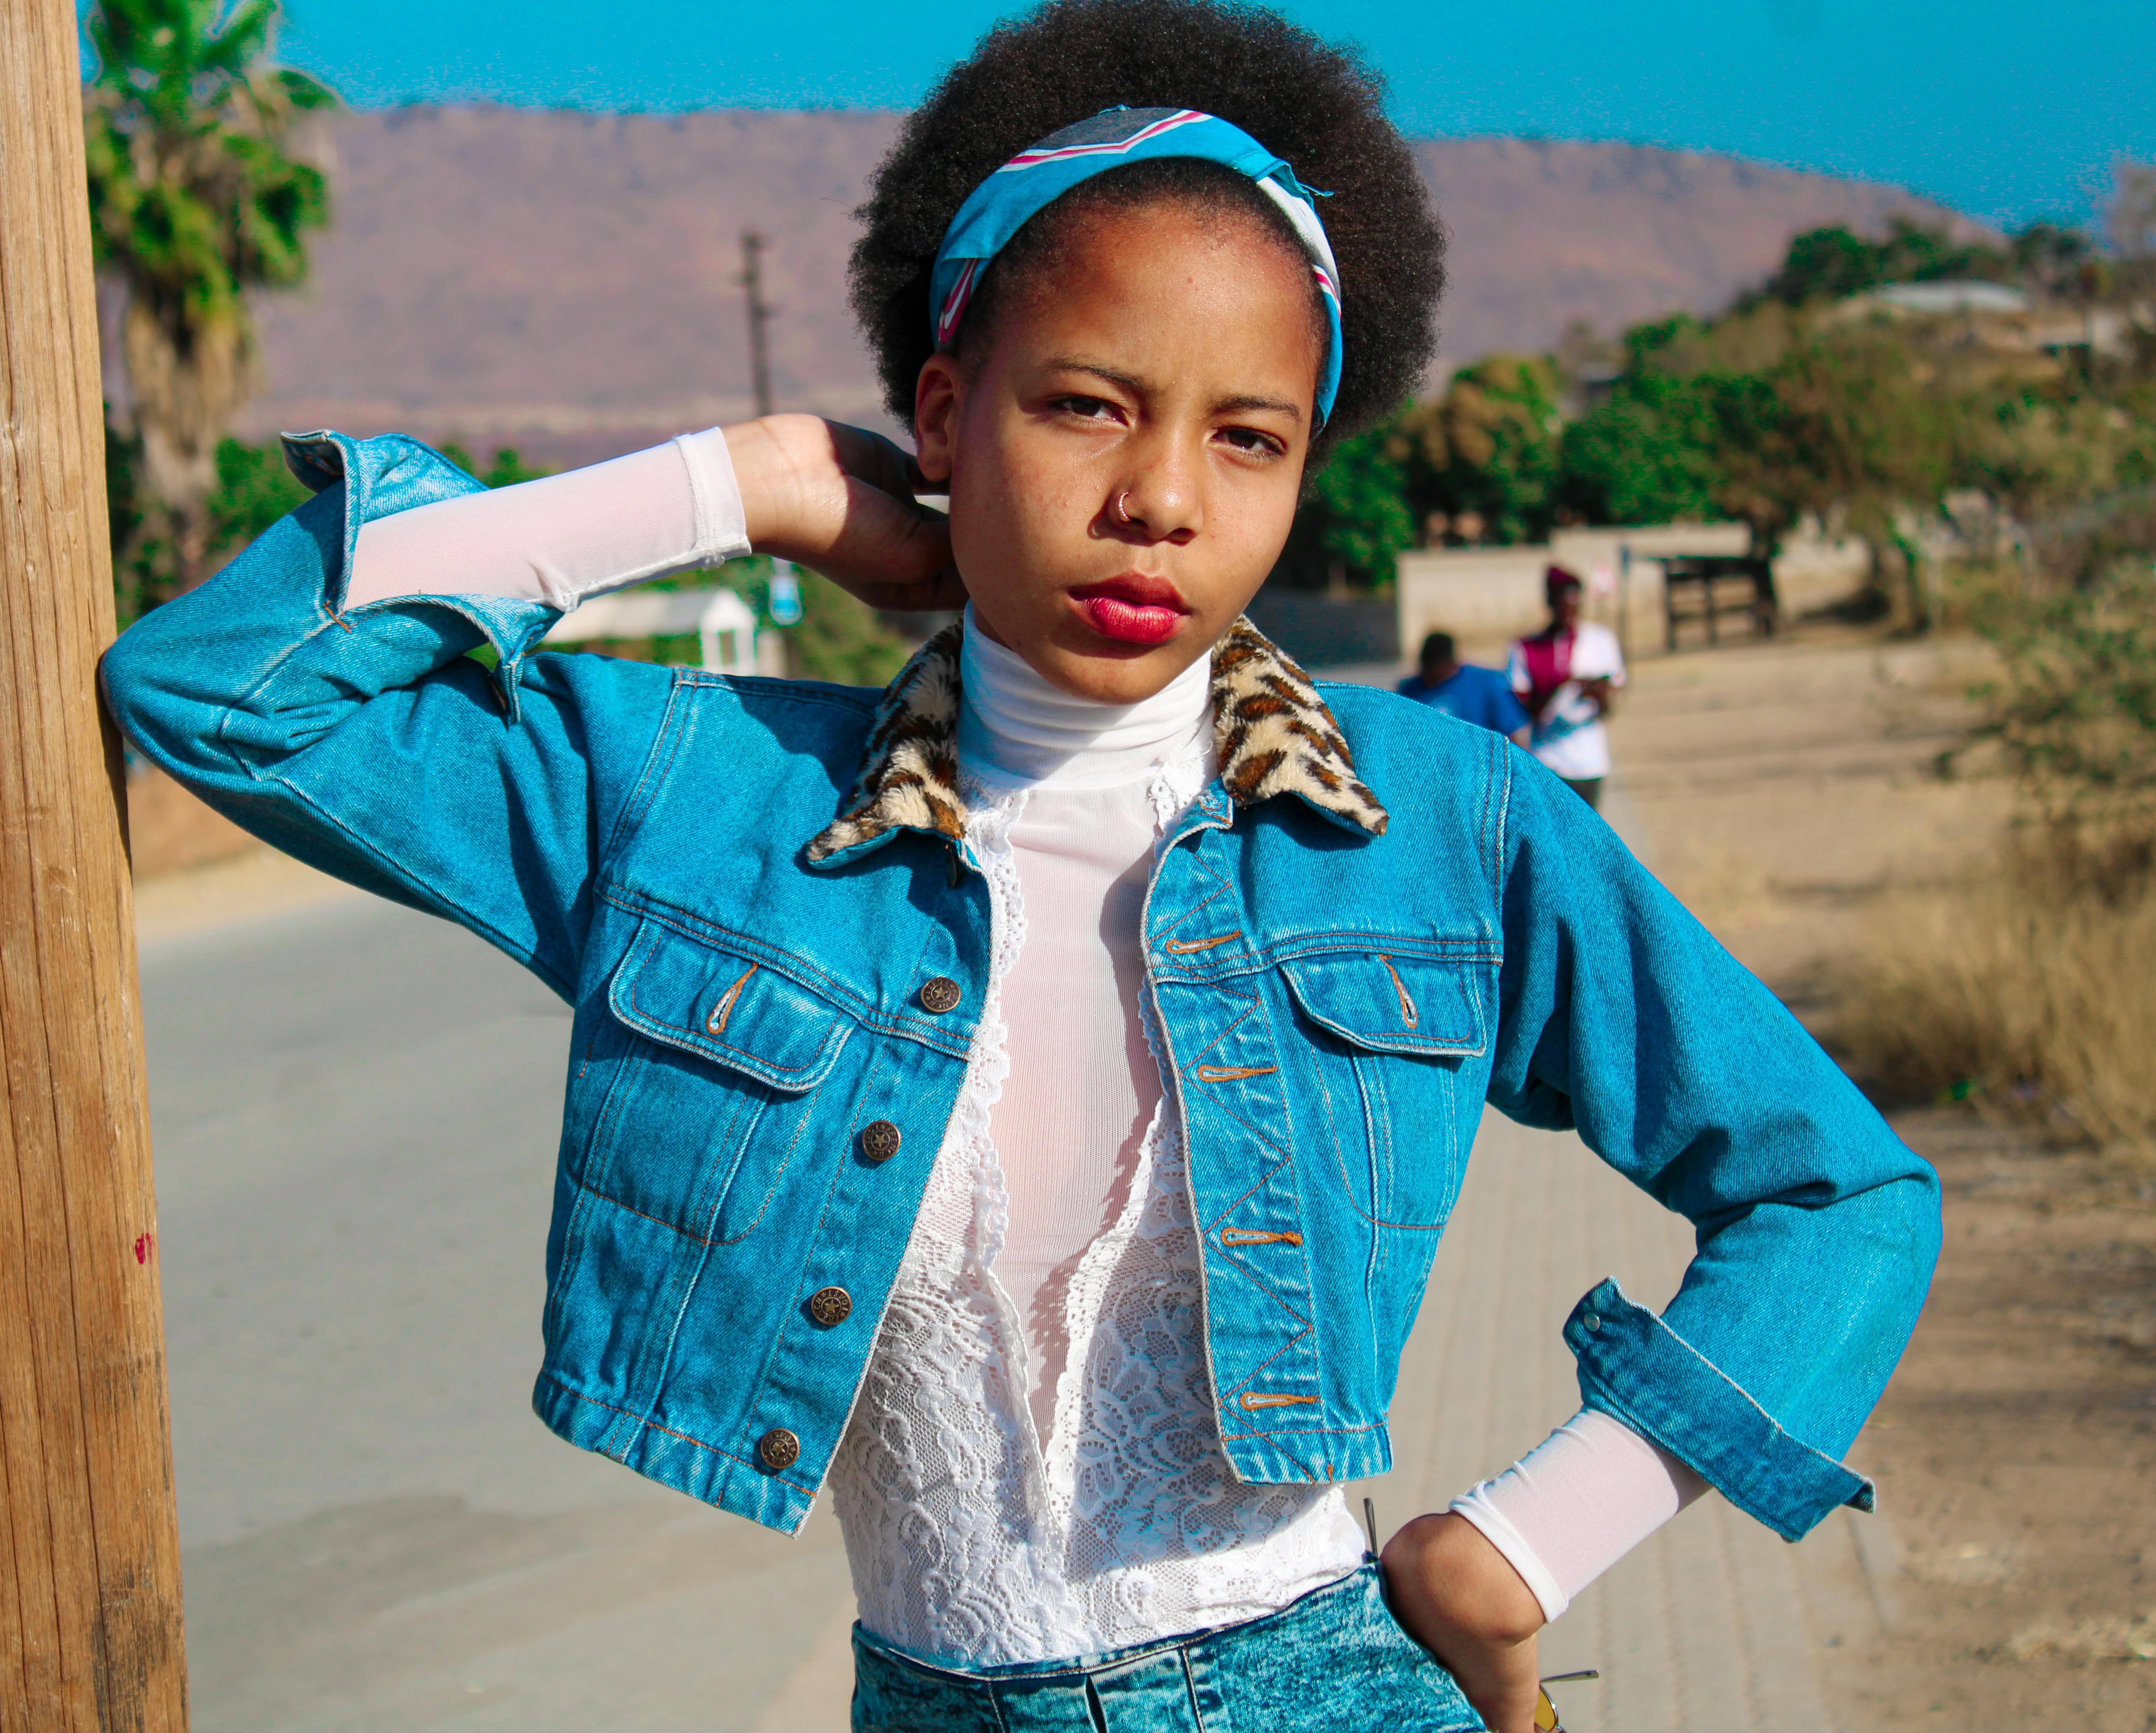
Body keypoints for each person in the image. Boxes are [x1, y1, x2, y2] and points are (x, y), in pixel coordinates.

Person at [101, 4, 1938, 1728]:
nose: (1161, 496)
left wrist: (1526, 1538)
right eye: (1083, 403)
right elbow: (222, 688)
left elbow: (1834, 1192)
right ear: (941, 410)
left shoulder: (1442, 819)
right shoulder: (700, 794)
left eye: (1248, 437)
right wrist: (741, 484)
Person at [1506, 568, 1626, 808]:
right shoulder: (1527, 648)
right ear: (1551, 603)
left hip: (1589, 761)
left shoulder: (1600, 641)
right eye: (1564, 603)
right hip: (1548, 760)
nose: (1570, 612)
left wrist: (1597, 693)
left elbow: (1610, 705)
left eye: (1575, 603)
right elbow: (1521, 711)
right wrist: (1561, 687)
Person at [1398, 631, 1526, 739]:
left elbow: (1513, 730)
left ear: (1449, 663)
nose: (1432, 675)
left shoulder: (1484, 683)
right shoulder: (1410, 691)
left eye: (1437, 668)